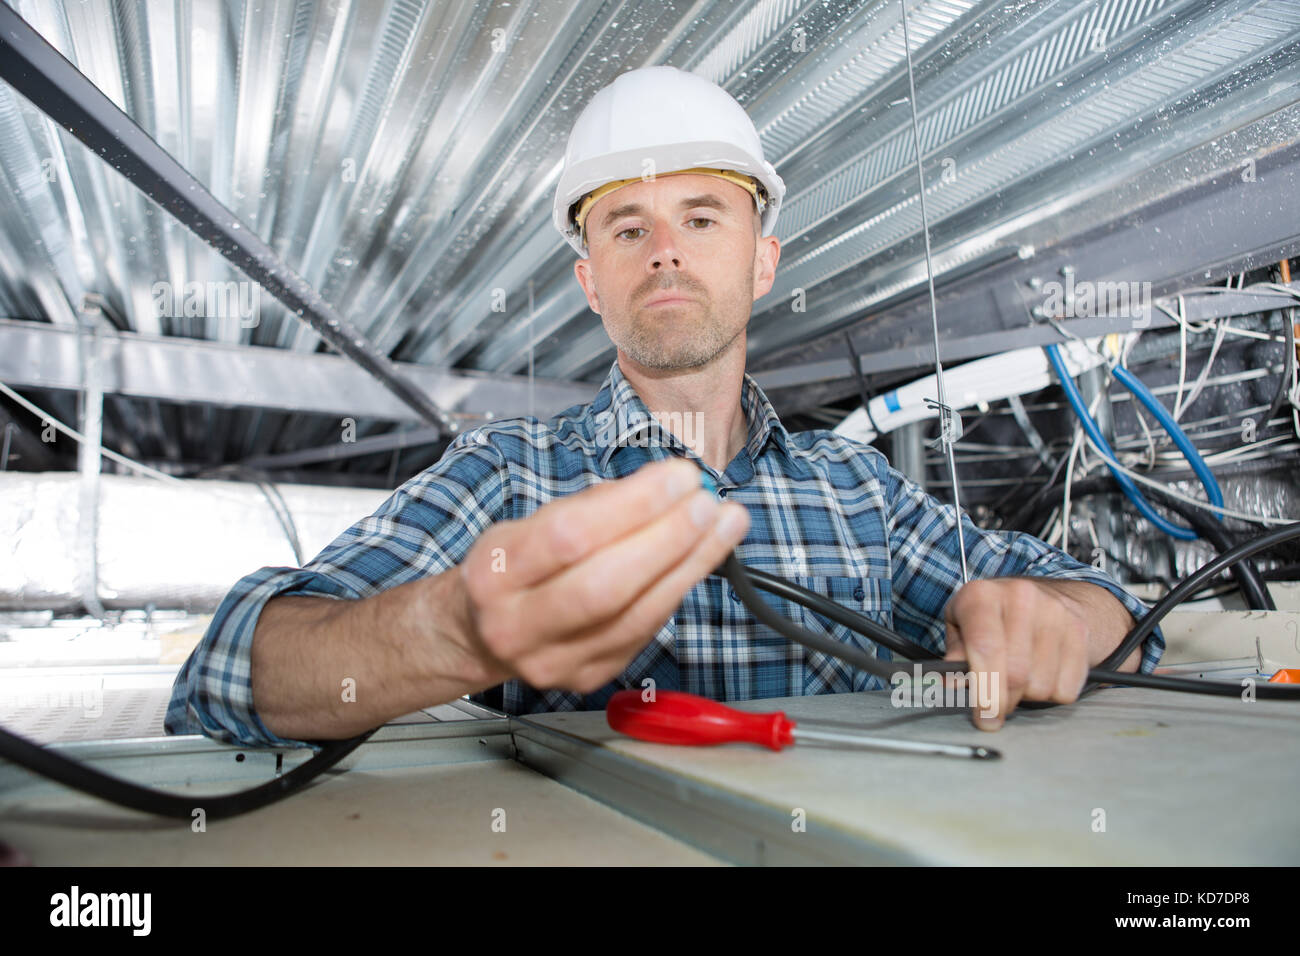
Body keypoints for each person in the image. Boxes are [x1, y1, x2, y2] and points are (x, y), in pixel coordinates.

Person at [167, 66, 1162, 749]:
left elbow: (1119, 612)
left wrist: (1053, 621)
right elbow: (232, 670)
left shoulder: (856, 486)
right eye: (627, 225)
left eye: (701, 216)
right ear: (589, 281)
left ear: (762, 261)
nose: (666, 250)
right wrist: (452, 630)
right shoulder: (506, 474)